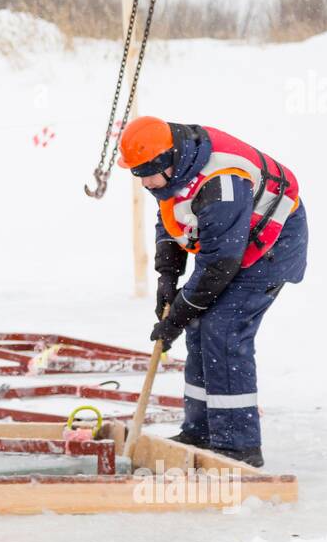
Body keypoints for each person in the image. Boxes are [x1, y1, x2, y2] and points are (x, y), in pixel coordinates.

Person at [117, 116, 308, 467]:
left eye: (146, 173)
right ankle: (201, 431)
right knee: (199, 324)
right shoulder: (175, 170)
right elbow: (171, 219)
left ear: (167, 162)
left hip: (272, 245)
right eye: (136, 173)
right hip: (232, 244)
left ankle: (238, 446)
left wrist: (177, 314)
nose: (143, 181)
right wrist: (167, 279)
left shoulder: (222, 184)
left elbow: (219, 264)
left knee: (223, 329)